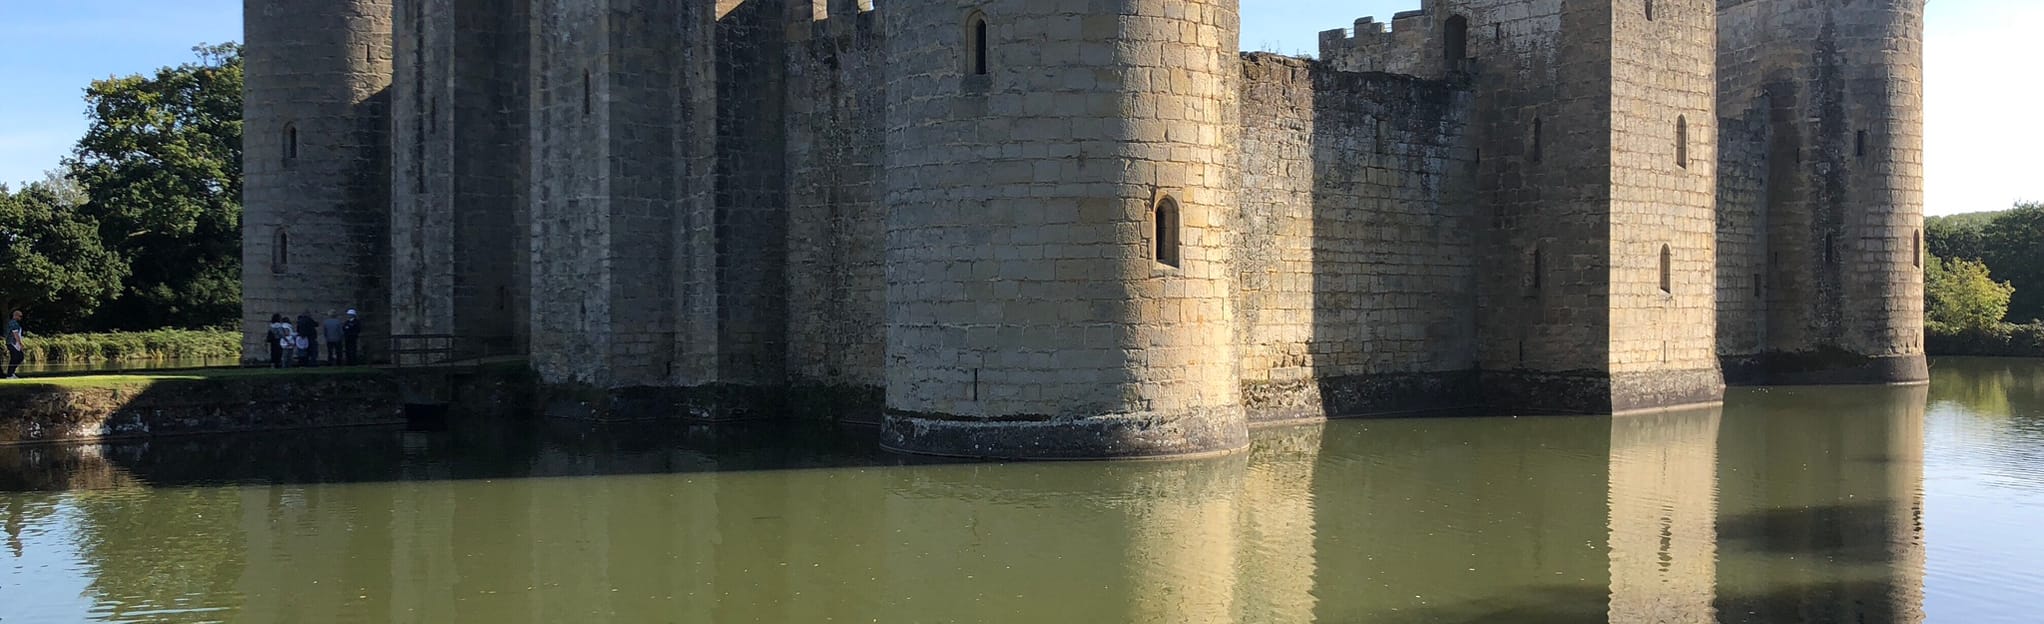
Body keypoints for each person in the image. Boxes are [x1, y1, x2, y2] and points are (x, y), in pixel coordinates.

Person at [5, 311, 24, 379]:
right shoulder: (13, 323)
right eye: (20, 316)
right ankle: (9, 375)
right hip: (12, 343)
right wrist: (20, 344)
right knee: (15, 358)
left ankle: (11, 373)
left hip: (15, 344)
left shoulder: (16, 323)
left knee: (20, 357)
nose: (21, 318)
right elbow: (15, 334)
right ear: (15, 315)